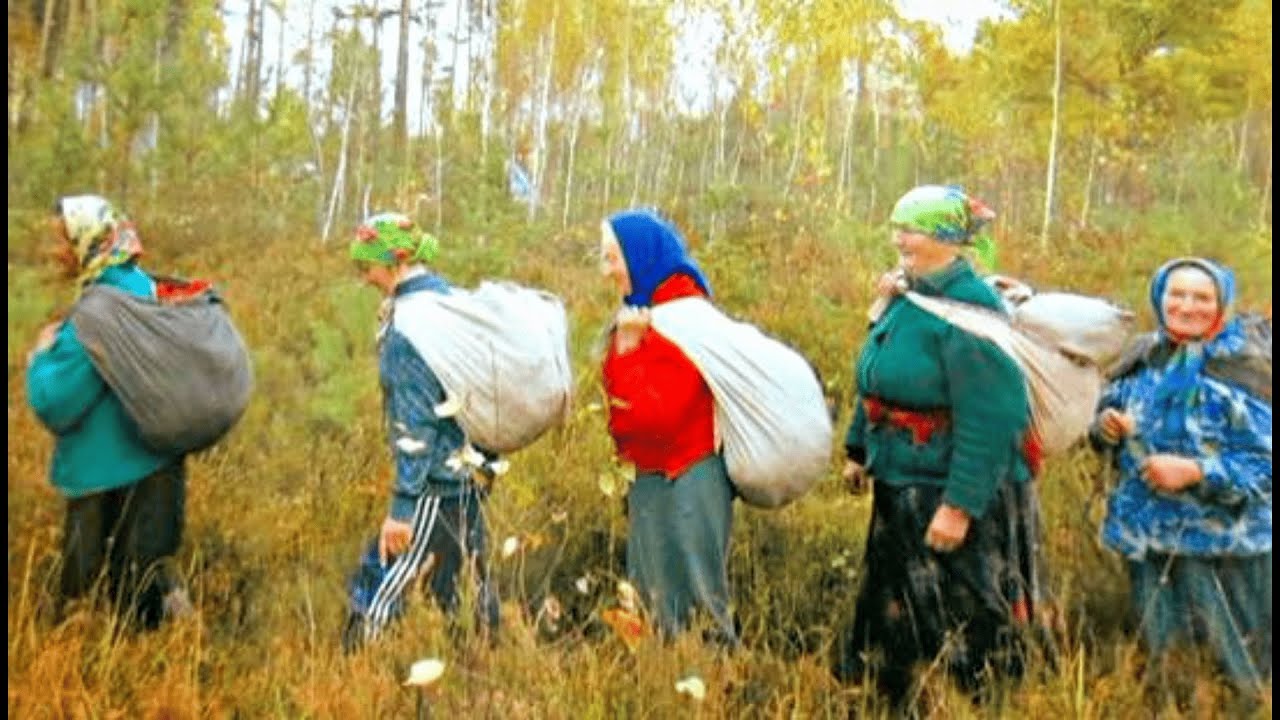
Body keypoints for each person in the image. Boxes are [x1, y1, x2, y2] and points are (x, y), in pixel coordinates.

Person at [835, 185, 1047, 707]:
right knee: (898, 604)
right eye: (898, 227)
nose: (900, 238)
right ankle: (901, 699)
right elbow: (878, 379)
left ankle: (978, 703)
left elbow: (993, 418)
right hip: (901, 480)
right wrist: (860, 450)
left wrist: (959, 506)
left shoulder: (970, 312)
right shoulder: (909, 296)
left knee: (963, 610)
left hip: (946, 489)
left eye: (913, 229)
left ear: (949, 238)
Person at [1090, 257, 1271, 694]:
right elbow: (1101, 422)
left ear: (1222, 303)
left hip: (1225, 551)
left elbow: (1264, 467)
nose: (1187, 306)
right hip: (1149, 543)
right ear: (1159, 297)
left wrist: (1196, 471)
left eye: (1202, 297)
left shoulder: (1245, 370)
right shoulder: (1143, 357)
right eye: (1177, 294)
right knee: (1168, 668)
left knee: (1236, 678)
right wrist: (1106, 427)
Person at [26, 194, 192, 631]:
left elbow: (55, 402)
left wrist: (42, 359)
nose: (58, 252)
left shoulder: (99, 311)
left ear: (90, 240)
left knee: (89, 610)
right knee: (143, 598)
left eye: (64, 241)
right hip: (160, 468)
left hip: (103, 479)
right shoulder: (148, 289)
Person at [341, 212, 501, 653]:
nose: (364, 276)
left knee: (381, 582)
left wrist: (402, 508)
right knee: (465, 589)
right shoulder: (450, 301)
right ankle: (487, 679)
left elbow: (416, 427)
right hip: (469, 475)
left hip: (434, 484)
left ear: (392, 263)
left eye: (367, 265)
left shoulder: (407, 329)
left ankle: (352, 672)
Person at [598, 208, 738, 648]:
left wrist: (625, 348)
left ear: (641, 256)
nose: (607, 271)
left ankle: (715, 693)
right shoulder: (650, 310)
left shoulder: (677, 318)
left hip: (685, 477)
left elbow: (648, 417)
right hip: (656, 476)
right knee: (655, 598)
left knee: (697, 599)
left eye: (613, 257)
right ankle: (663, 689)